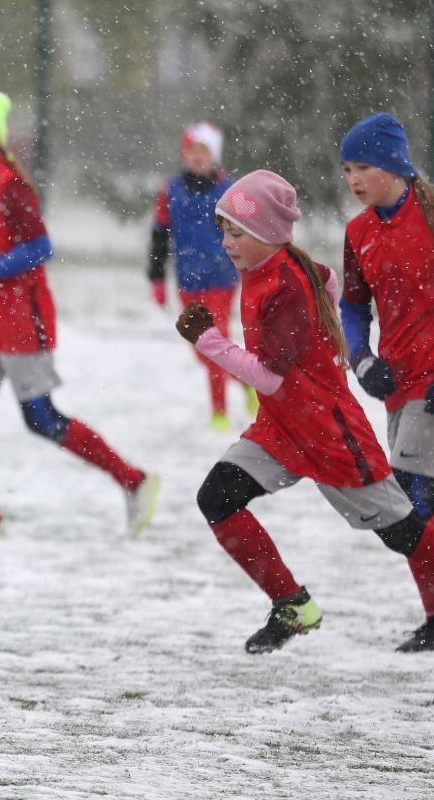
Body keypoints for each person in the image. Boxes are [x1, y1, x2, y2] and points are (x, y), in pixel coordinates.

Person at [177, 169, 434, 653]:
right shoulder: (282, 270)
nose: (228, 242)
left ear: (271, 235)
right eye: (225, 230)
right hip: (281, 428)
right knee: (217, 497)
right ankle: (291, 605)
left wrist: (208, 341)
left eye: (239, 232)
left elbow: (268, 377)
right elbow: (328, 278)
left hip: (329, 434)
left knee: (404, 534)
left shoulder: (286, 286)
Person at [0, 89, 159, 537]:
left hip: (21, 318)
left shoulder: (10, 184)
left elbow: (39, 249)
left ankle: (134, 481)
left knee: (41, 418)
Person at [338, 113, 434, 520]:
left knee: (412, 506)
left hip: (428, 387)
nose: (353, 179)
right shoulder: (358, 232)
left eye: (363, 167)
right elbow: (353, 306)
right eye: (346, 170)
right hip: (397, 383)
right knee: (410, 514)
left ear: (394, 165)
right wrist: (361, 360)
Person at [148, 123, 251, 429]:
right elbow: (159, 235)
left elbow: (248, 232)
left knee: (214, 341)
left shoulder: (229, 192)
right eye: (192, 151)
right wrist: (156, 279)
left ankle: (218, 413)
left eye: (203, 151)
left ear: (214, 156)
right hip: (187, 280)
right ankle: (248, 381)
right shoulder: (170, 191)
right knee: (200, 349)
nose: (196, 157)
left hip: (221, 278)